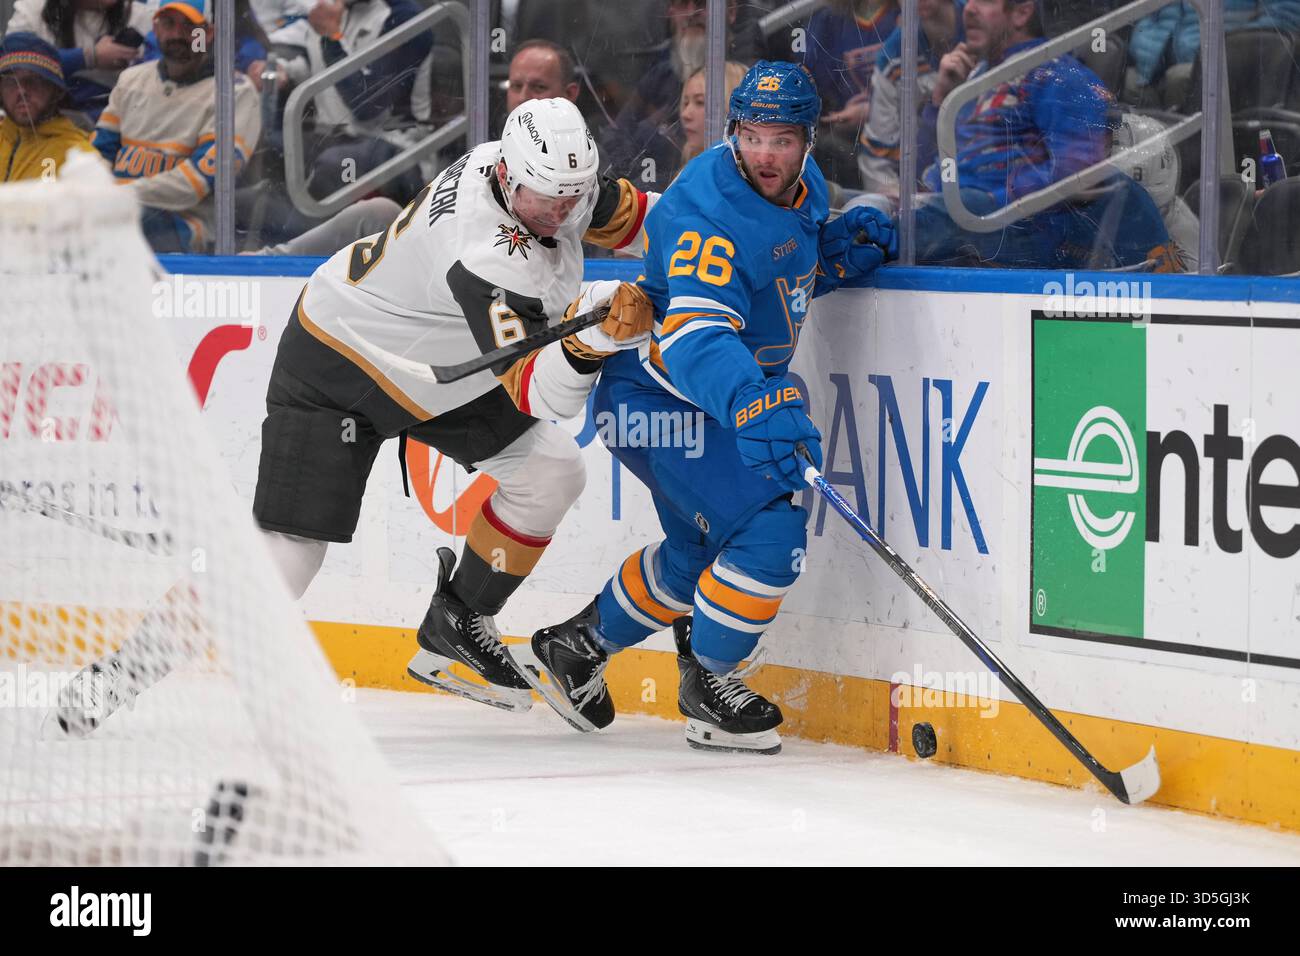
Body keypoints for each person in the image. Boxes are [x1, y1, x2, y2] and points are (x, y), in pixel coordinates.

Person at [55, 98, 660, 733]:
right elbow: (544, 394)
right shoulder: (485, 254)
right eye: (547, 200)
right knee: (288, 558)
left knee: (552, 473)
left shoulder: (538, 177)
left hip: (437, 370)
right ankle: (118, 675)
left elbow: (647, 220)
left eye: (574, 196)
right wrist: (593, 340)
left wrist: (736, 228)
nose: (562, 214)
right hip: (339, 361)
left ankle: (455, 621)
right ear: (508, 178)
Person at [512, 62, 896, 753]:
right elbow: (696, 334)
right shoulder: (707, 214)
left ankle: (575, 648)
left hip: (700, 396)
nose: (768, 155)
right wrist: (752, 400)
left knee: (697, 551)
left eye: (783, 140)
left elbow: (770, 277)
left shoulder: (800, 191)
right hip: (658, 396)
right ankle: (709, 683)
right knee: (769, 531)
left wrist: (829, 259)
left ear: (809, 141)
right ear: (733, 133)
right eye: (753, 137)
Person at [911, 0, 1171, 269]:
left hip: (1013, 235)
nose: (969, 8)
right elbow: (923, 178)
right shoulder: (971, 81)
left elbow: (1078, 175)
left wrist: (988, 203)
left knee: (884, 227)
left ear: (1023, 12)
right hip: (956, 224)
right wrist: (942, 100)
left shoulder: (1056, 73)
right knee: (874, 208)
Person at [91, 0, 262, 253]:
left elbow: (195, 183)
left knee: (128, 224)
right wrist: (92, 192)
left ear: (209, 33)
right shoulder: (131, 79)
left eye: (189, 26)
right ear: (156, 29)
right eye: (169, 23)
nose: (178, 35)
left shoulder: (235, 91)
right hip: (114, 209)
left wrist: (114, 196)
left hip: (186, 224)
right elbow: (99, 152)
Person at [857, 0, 964, 197]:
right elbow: (878, 160)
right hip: (925, 194)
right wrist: (899, 205)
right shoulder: (893, 56)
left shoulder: (981, 26)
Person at [5, 0, 153, 123]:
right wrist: (87, 57)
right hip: (43, 119)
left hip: (112, 121)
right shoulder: (32, 8)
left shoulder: (141, 15)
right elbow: (11, 63)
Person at [0, 32, 99, 182]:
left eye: (34, 81)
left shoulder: (78, 159)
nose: (21, 90)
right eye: (10, 81)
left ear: (56, 91)